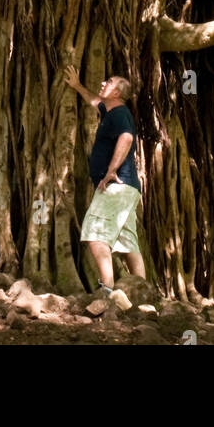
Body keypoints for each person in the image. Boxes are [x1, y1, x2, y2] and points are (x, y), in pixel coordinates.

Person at [64, 64, 146, 290]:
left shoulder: (119, 114)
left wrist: (111, 170)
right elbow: (95, 102)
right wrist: (78, 85)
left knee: (95, 232)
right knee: (128, 244)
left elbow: (127, 138)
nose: (103, 83)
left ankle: (107, 289)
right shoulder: (111, 111)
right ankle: (142, 293)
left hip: (117, 186)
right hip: (128, 189)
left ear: (117, 93)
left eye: (108, 82)